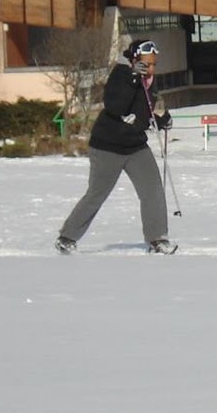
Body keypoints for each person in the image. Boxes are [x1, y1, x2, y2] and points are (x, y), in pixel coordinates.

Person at [56, 39, 175, 254]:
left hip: (135, 146)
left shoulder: (149, 83)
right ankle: (67, 237)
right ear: (134, 60)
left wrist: (162, 120)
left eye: (154, 64)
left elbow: (143, 116)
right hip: (107, 147)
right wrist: (132, 78)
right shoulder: (121, 75)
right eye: (147, 64)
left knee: (153, 190)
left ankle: (157, 239)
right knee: (97, 193)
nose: (151, 69)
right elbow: (115, 106)